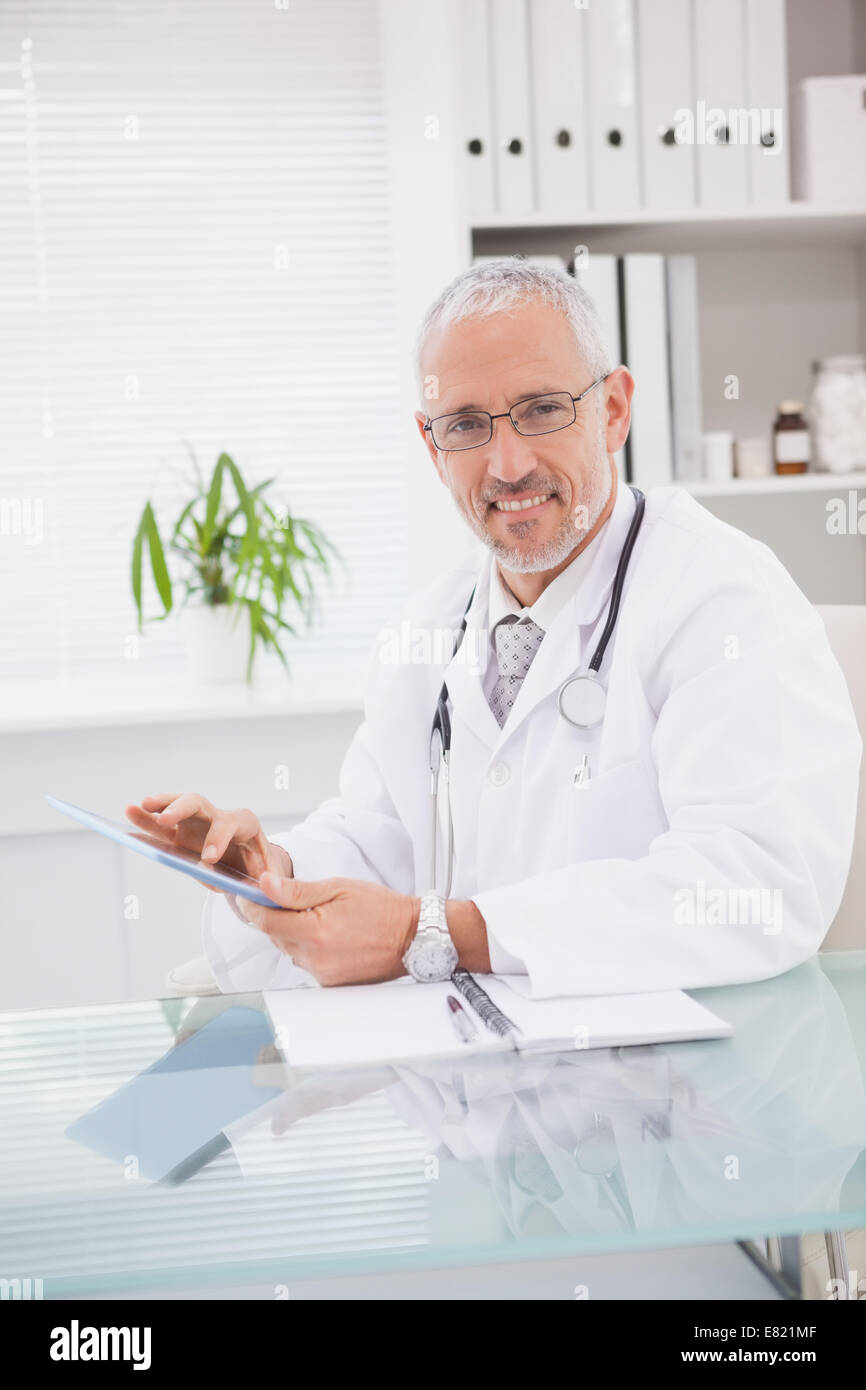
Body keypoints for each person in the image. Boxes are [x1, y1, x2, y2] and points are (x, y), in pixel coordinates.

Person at [127, 258, 862, 998]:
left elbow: (758, 885)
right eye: (467, 425)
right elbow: (381, 838)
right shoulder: (430, 627)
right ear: (431, 445)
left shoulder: (724, 598)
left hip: (692, 1085)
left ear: (613, 410)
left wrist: (437, 934)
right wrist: (271, 872)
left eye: (543, 409)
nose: (507, 464)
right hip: (480, 1075)